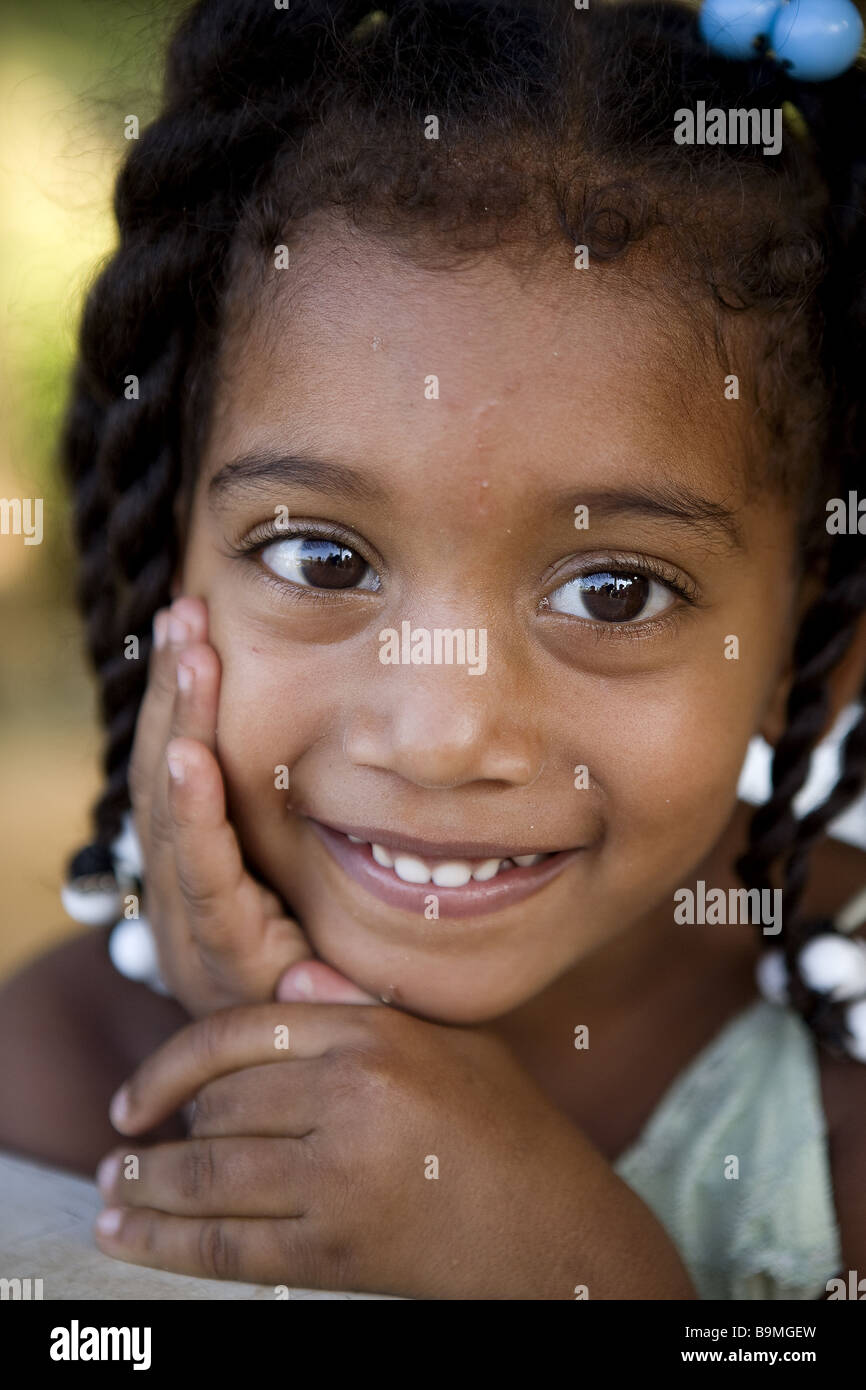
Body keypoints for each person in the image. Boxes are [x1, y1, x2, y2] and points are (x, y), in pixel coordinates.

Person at [1, 0, 865, 1299]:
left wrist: (578, 1271)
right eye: (320, 559)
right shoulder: (55, 1082)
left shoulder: (838, 1108)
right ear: (159, 558)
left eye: (615, 591)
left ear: (818, 645)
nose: (442, 731)